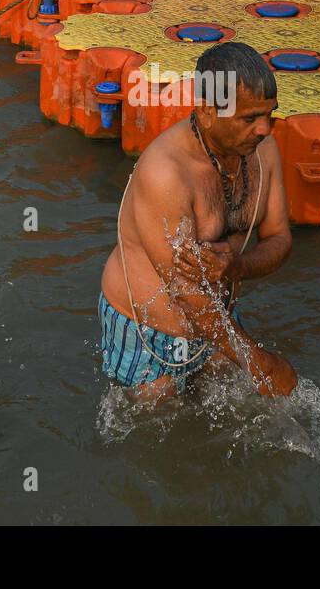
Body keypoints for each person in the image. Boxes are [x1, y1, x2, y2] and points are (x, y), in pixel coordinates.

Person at [99, 42, 297, 401]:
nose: (265, 129)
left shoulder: (263, 150)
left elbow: (280, 238)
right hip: (147, 332)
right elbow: (186, 292)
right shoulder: (166, 173)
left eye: (270, 115)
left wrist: (239, 266)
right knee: (155, 427)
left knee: (248, 417)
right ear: (206, 111)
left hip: (217, 321)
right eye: (250, 118)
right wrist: (261, 364)